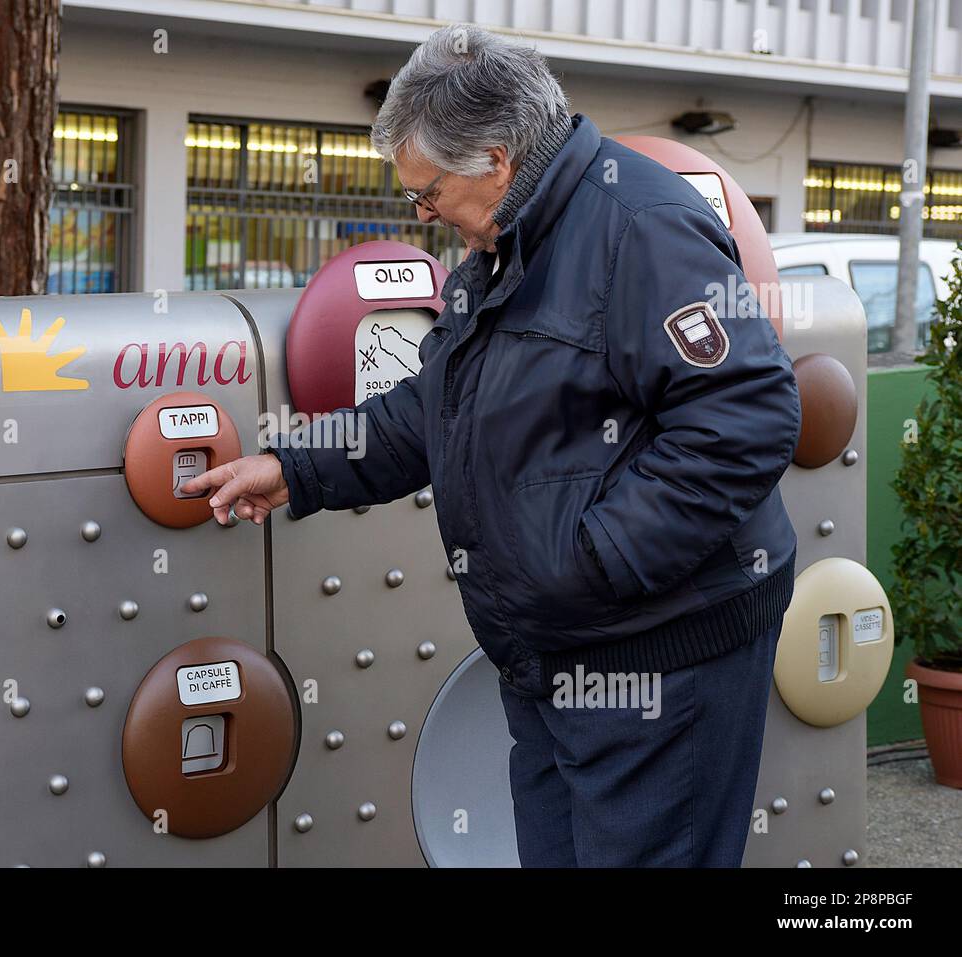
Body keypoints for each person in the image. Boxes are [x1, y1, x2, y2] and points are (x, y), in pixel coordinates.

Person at [179, 23, 800, 867]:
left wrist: (594, 561)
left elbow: (746, 416)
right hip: (553, 649)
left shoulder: (639, 227)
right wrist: (293, 465)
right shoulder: (508, 242)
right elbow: (436, 407)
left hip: (656, 658)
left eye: (427, 192)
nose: (423, 214)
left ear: (497, 160)